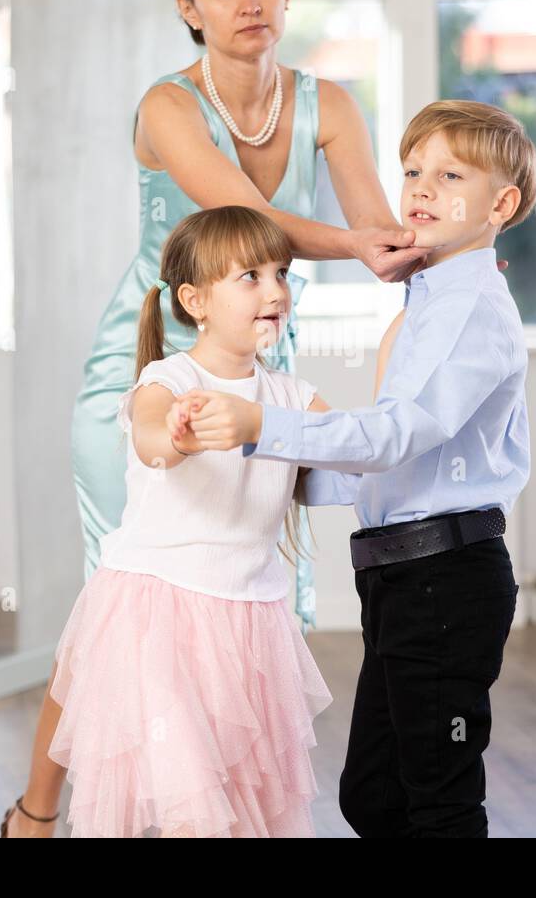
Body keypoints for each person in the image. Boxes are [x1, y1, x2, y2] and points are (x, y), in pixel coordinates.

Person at [1, 0, 426, 837]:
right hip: (154, 358)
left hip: (259, 355)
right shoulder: (166, 103)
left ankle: (216, 814)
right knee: (124, 621)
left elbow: (382, 233)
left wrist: (453, 252)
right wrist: (364, 247)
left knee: (239, 605)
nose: (249, 4)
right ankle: (36, 815)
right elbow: (253, 226)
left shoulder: (328, 104)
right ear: (189, 6)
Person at [174, 100, 536, 837]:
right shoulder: (430, 302)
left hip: (445, 579)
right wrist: (272, 467)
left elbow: (396, 435)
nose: (421, 188)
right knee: (375, 795)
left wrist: (264, 426)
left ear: (501, 203)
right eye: (412, 171)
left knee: (438, 797)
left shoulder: (467, 308)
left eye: (449, 173)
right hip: (405, 577)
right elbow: (394, 471)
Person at [46, 206, 343, 837]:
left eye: (281, 274)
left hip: (250, 622)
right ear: (195, 299)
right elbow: (152, 438)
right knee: (190, 802)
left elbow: (355, 442)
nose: (275, 291)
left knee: (242, 803)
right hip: (158, 614)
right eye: (251, 277)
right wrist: (179, 436)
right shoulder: (171, 378)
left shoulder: (289, 395)